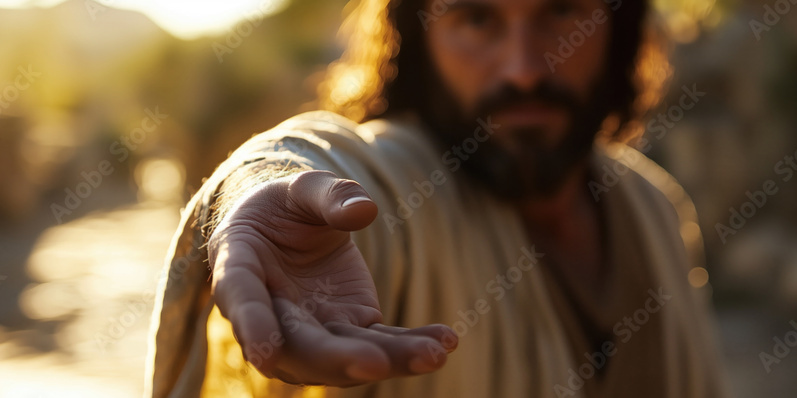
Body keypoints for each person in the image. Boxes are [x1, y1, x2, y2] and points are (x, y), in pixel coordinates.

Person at [146, 0, 728, 397]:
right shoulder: (405, 188)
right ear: (418, 40)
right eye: (477, 18)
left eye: (561, 10)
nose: (524, 69)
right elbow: (323, 157)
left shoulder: (654, 208)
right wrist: (263, 184)